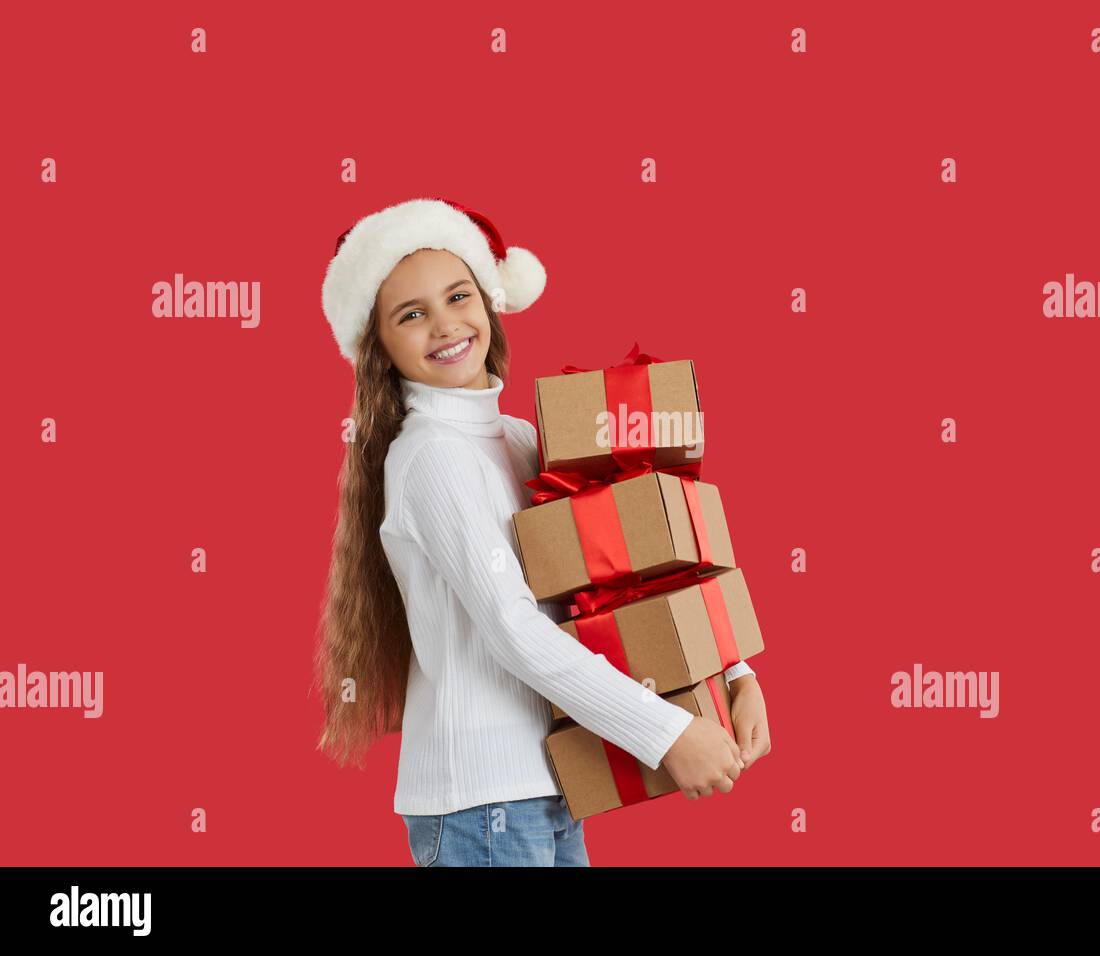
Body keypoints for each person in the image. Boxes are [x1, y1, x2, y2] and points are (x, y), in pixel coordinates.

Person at [313, 197, 770, 866]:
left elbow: (633, 574)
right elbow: (515, 631)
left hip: (547, 784)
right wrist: (668, 734)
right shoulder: (432, 455)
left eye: (457, 295)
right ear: (379, 344)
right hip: (483, 806)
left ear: (491, 299)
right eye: (410, 315)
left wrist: (734, 672)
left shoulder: (521, 441)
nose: (444, 325)